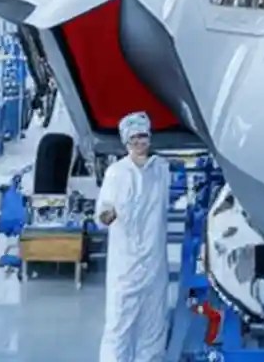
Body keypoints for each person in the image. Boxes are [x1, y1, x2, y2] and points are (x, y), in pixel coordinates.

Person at [97, 111, 172, 362]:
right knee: (119, 327)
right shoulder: (117, 173)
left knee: (153, 328)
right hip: (125, 266)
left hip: (154, 264)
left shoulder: (161, 169)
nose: (140, 142)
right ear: (126, 142)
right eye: (134, 138)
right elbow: (104, 208)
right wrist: (107, 214)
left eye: (143, 136)